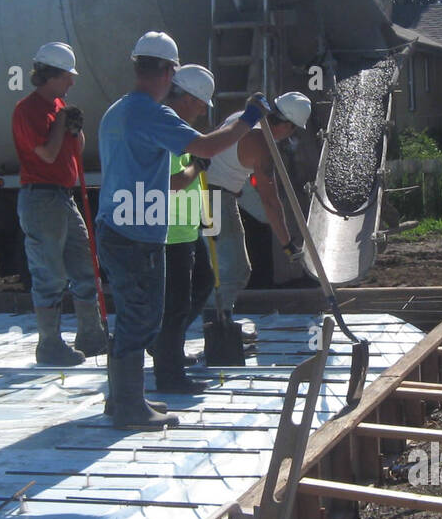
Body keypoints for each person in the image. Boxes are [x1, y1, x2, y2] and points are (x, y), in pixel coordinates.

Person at [96, 32, 269, 429]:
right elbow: (207, 148)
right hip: (137, 232)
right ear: (169, 72)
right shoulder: (152, 114)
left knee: (131, 317)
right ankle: (127, 405)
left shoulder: (117, 111)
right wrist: (249, 118)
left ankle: (124, 398)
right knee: (141, 319)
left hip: (115, 226)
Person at [11, 41, 107, 366]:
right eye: (68, 75)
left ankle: (90, 334)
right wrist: (60, 122)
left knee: (84, 266)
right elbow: (48, 153)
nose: (72, 82)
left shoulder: (57, 105)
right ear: (52, 75)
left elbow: (73, 149)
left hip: (62, 196)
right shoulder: (28, 111)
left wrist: (74, 129)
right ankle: (49, 344)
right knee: (50, 273)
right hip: (41, 197)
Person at [203, 91, 313, 332]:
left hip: (205, 193)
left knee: (217, 268)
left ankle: (217, 319)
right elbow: (271, 202)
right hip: (212, 199)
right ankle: (215, 326)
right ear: (285, 125)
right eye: (293, 130)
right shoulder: (261, 145)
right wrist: (288, 245)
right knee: (234, 269)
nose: (290, 135)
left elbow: (225, 157)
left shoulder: (241, 118)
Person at [153, 66, 218, 394]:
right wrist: (197, 164)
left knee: (203, 283)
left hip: (188, 226)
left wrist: (208, 221)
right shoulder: (168, 128)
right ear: (189, 98)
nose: (203, 110)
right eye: (201, 103)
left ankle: (166, 345)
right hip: (171, 231)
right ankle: (169, 372)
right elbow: (174, 182)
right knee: (176, 303)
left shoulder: (178, 127)